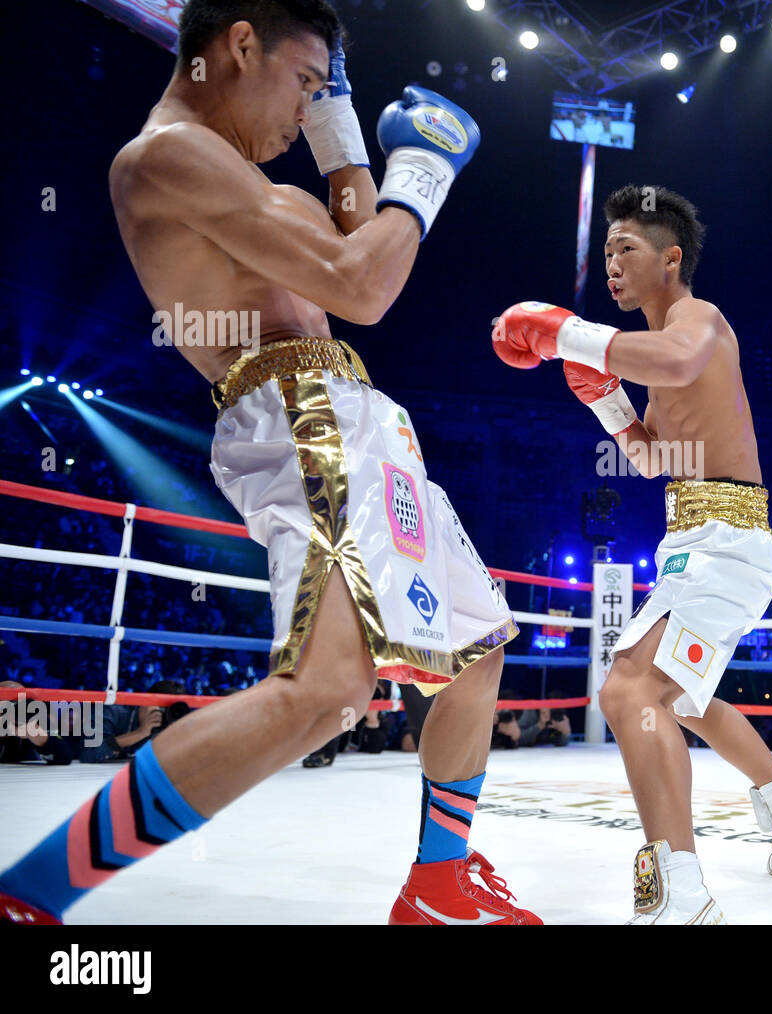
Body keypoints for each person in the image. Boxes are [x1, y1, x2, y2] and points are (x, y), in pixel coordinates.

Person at [1, 0, 536, 926]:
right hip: (298, 411)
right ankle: (30, 898)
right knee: (328, 693)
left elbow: (363, 255)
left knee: (474, 650)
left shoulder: (247, 178)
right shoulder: (168, 155)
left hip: (357, 413)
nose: (302, 109)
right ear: (239, 45)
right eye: (302, 83)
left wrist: (341, 141)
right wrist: (422, 172)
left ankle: (440, 881)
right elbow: (366, 284)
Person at [492, 184, 772, 924]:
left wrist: (566, 335)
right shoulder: (654, 348)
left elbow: (676, 363)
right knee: (685, 700)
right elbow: (651, 461)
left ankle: (683, 889)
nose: (611, 263)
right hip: (695, 543)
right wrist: (605, 403)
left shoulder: (695, 320)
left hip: (726, 540)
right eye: (606, 251)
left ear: (671, 259)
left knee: (628, 693)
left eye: (626, 249)